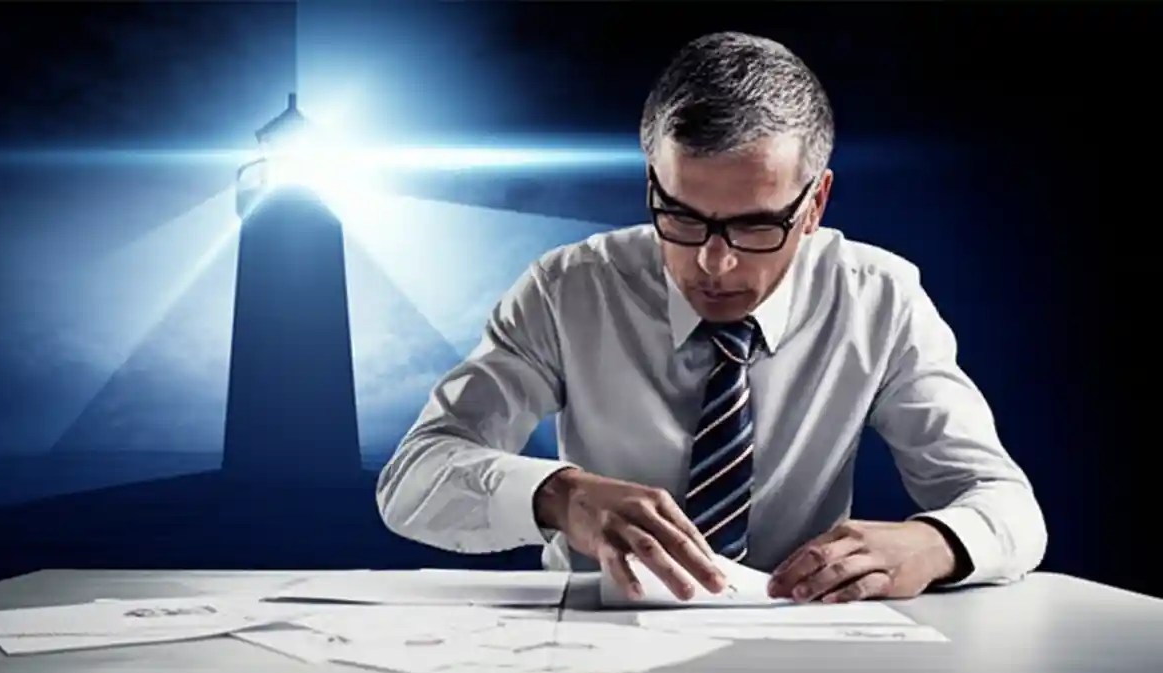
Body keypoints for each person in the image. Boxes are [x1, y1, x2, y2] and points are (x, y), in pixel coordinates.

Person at [376, 31, 1047, 604]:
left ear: (815, 204)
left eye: (756, 226)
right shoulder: (567, 290)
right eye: (682, 216)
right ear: (652, 183)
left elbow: (1005, 503)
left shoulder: (880, 299)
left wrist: (934, 543)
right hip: (591, 638)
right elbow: (414, 478)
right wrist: (558, 495)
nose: (712, 262)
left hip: (806, 642)